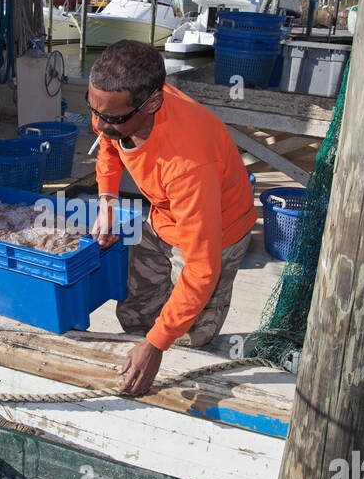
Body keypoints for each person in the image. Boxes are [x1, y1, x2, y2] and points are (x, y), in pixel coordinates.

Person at [88, 40, 256, 396]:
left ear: (153, 103)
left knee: (190, 337)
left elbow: (202, 269)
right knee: (135, 310)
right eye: (94, 110)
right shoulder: (114, 107)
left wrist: (158, 343)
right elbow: (107, 142)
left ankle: (171, 370)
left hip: (218, 232)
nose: (100, 125)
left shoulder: (188, 163)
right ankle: (139, 355)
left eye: (113, 118)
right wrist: (107, 197)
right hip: (163, 212)